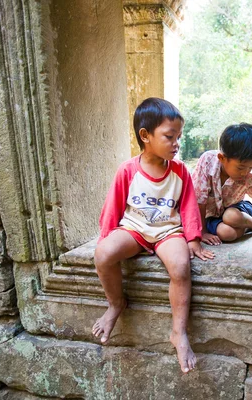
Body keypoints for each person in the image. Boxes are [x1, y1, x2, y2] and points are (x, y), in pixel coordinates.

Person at [91, 97, 214, 374]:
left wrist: (193, 238)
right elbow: (114, 204)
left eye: (179, 137)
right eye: (169, 137)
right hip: (134, 228)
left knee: (181, 267)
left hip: (168, 231)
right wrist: (107, 237)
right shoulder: (128, 170)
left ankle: (178, 332)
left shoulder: (180, 171)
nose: (177, 143)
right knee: (104, 255)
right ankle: (115, 304)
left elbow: (188, 205)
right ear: (145, 136)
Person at [192, 123, 252, 256]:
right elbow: (199, 200)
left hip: (238, 211)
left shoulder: (249, 176)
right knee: (226, 234)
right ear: (222, 158)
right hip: (211, 215)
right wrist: (202, 231)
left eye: (251, 167)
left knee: (230, 216)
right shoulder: (207, 161)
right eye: (241, 168)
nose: (245, 172)